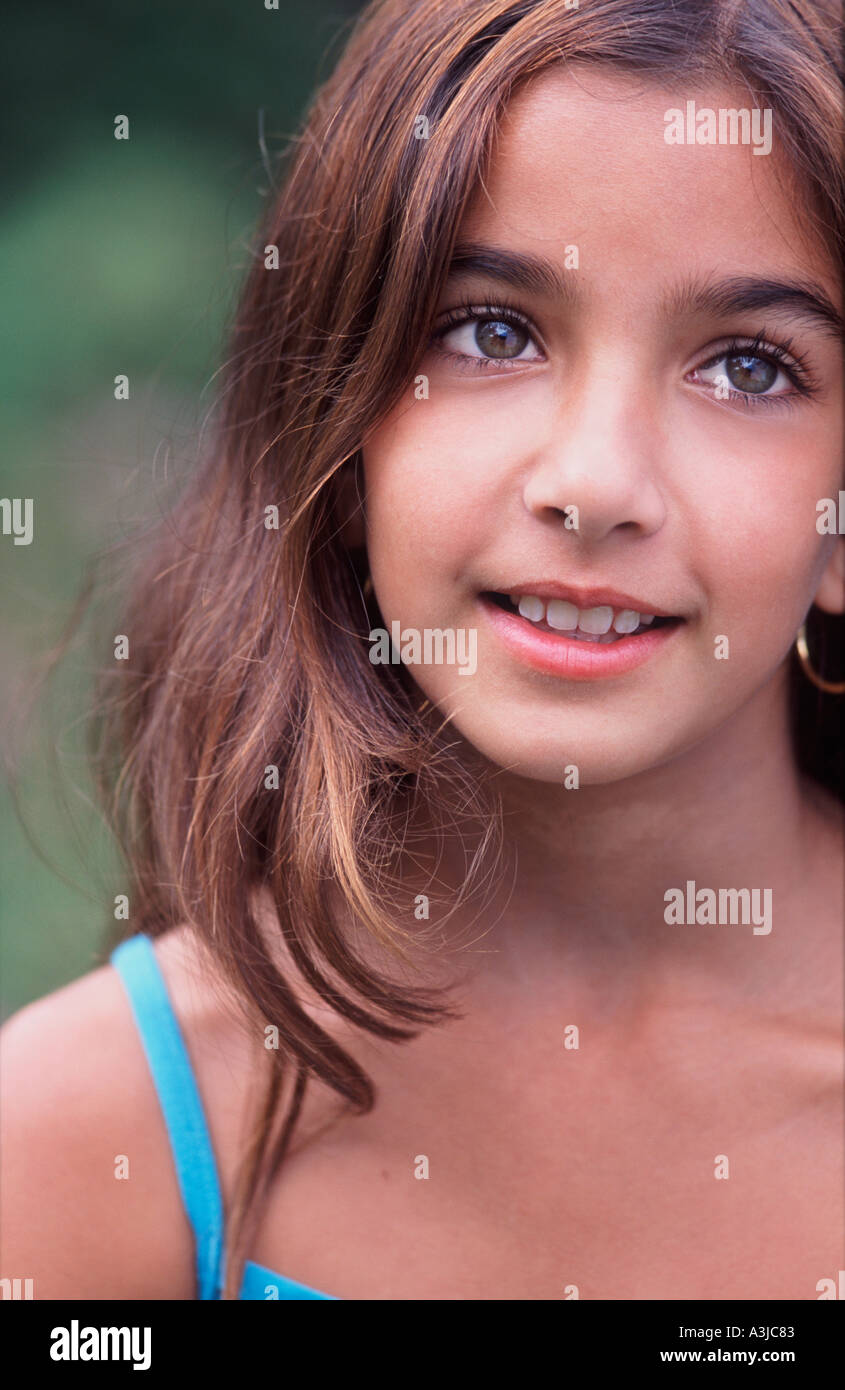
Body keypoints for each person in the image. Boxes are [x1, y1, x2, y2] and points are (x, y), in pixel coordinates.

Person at [2, 0, 843, 1300]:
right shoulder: (86, 1133)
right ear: (337, 437)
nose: (593, 483)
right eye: (490, 331)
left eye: (747, 366)